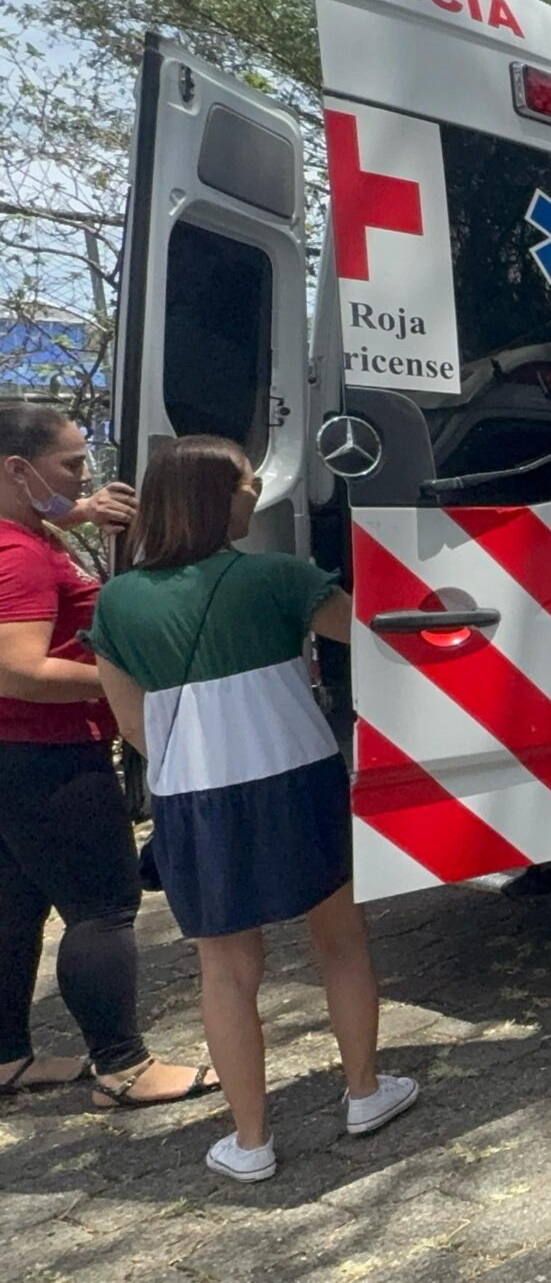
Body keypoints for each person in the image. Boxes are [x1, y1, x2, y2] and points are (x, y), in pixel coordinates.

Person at [86, 435, 417, 1182]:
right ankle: (364, 1091)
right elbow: (376, 634)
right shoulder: (278, 578)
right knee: (341, 938)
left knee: (228, 970)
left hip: (195, 794)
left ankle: (251, 1140)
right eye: (246, 483)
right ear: (215, 498)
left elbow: (132, 727)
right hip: (296, 776)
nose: (254, 496)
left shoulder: (118, 602)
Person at [0, 401, 217, 1107]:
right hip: (49, 755)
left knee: (13, 904)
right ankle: (123, 1069)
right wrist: (126, 681)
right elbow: (18, 669)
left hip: (13, 756)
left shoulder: (21, 530)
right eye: (70, 465)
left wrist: (77, 511)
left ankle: (7, 1059)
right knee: (103, 907)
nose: (83, 477)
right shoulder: (20, 555)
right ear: (17, 469)